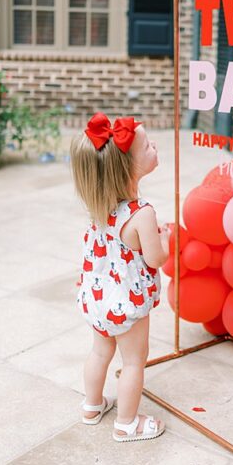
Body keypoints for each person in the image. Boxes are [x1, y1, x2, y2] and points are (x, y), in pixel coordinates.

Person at [73, 113, 173, 443]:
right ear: (129, 169)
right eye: (146, 146)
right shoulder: (142, 213)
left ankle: (91, 406)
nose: (153, 146)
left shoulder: (99, 206)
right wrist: (165, 238)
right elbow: (155, 258)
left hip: (97, 300)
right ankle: (127, 424)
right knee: (133, 362)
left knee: (100, 352)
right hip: (126, 306)